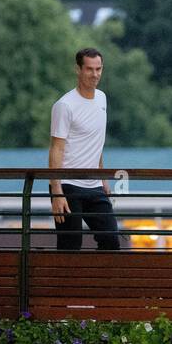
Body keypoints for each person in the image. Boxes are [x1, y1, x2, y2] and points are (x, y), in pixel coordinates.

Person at [49, 48, 120, 250]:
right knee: (70, 245)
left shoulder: (102, 99)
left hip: (94, 185)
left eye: (99, 69)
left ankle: (97, 282)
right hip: (68, 185)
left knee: (111, 240)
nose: (95, 74)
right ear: (78, 69)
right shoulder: (64, 105)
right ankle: (65, 282)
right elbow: (56, 149)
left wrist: (103, 177)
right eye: (89, 69)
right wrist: (57, 192)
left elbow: (95, 141)